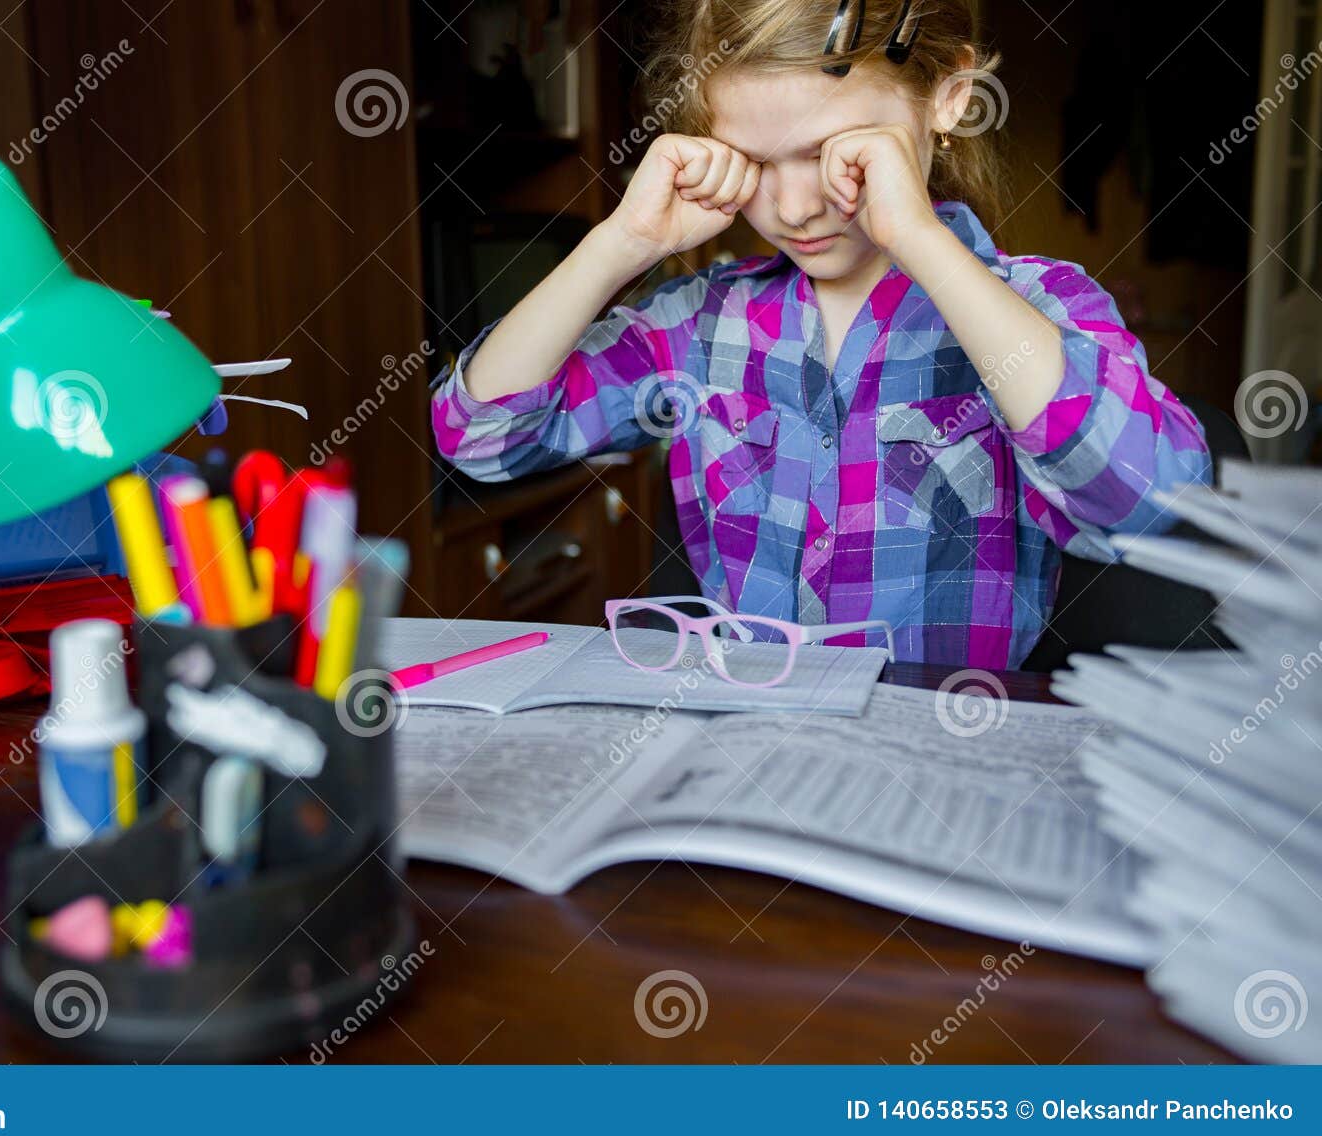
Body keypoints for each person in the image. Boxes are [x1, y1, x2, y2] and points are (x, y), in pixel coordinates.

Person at [429, 0, 1212, 668]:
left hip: (942, 767)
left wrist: (920, 239)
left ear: (947, 96)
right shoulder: (700, 324)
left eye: (830, 153)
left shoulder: (1040, 307)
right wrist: (620, 243)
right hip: (753, 758)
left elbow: (1149, 502)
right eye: (754, 162)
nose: (795, 207)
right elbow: (482, 435)